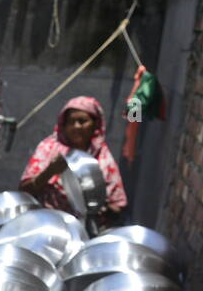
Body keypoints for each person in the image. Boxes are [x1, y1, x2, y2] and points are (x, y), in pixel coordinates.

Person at [19, 95, 127, 223]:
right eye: (71, 122)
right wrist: (50, 171)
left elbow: (118, 206)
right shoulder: (49, 149)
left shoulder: (103, 157)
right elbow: (24, 191)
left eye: (82, 121)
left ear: (95, 125)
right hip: (46, 223)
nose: (76, 126)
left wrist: (99, 208)